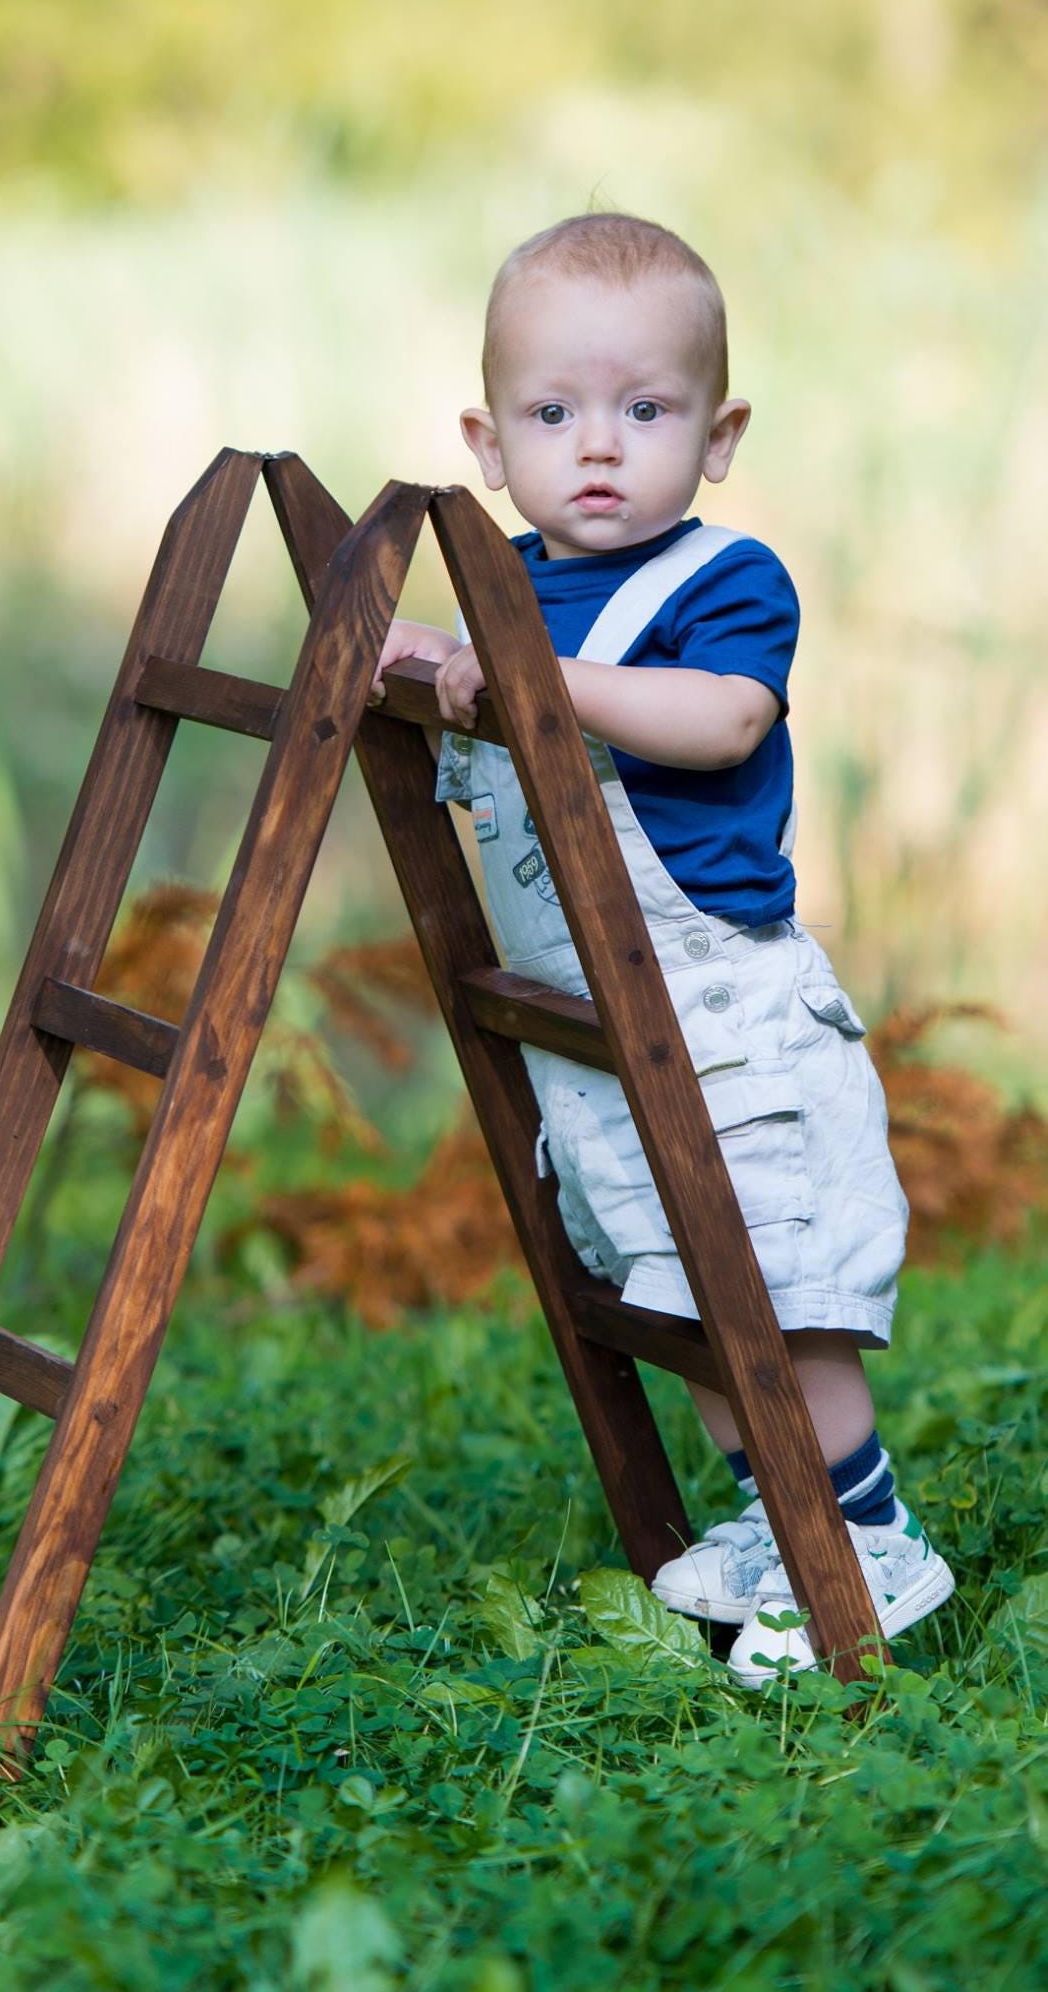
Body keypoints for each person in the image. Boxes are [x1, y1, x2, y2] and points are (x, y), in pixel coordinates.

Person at [368, 211, 954, 1685]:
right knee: (680, 1300)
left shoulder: (721, 581)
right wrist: (423, 666)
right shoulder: (504, 587)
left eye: (645, 410)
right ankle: (780, 1519)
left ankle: (869, 1539)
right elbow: (481, 694)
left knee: (769, 1300)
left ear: (718, 429)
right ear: (487, 440)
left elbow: (723, 719)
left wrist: (522, 677)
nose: (599, 448)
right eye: (552, 414)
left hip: (731, 1026)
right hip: (608, 1048)